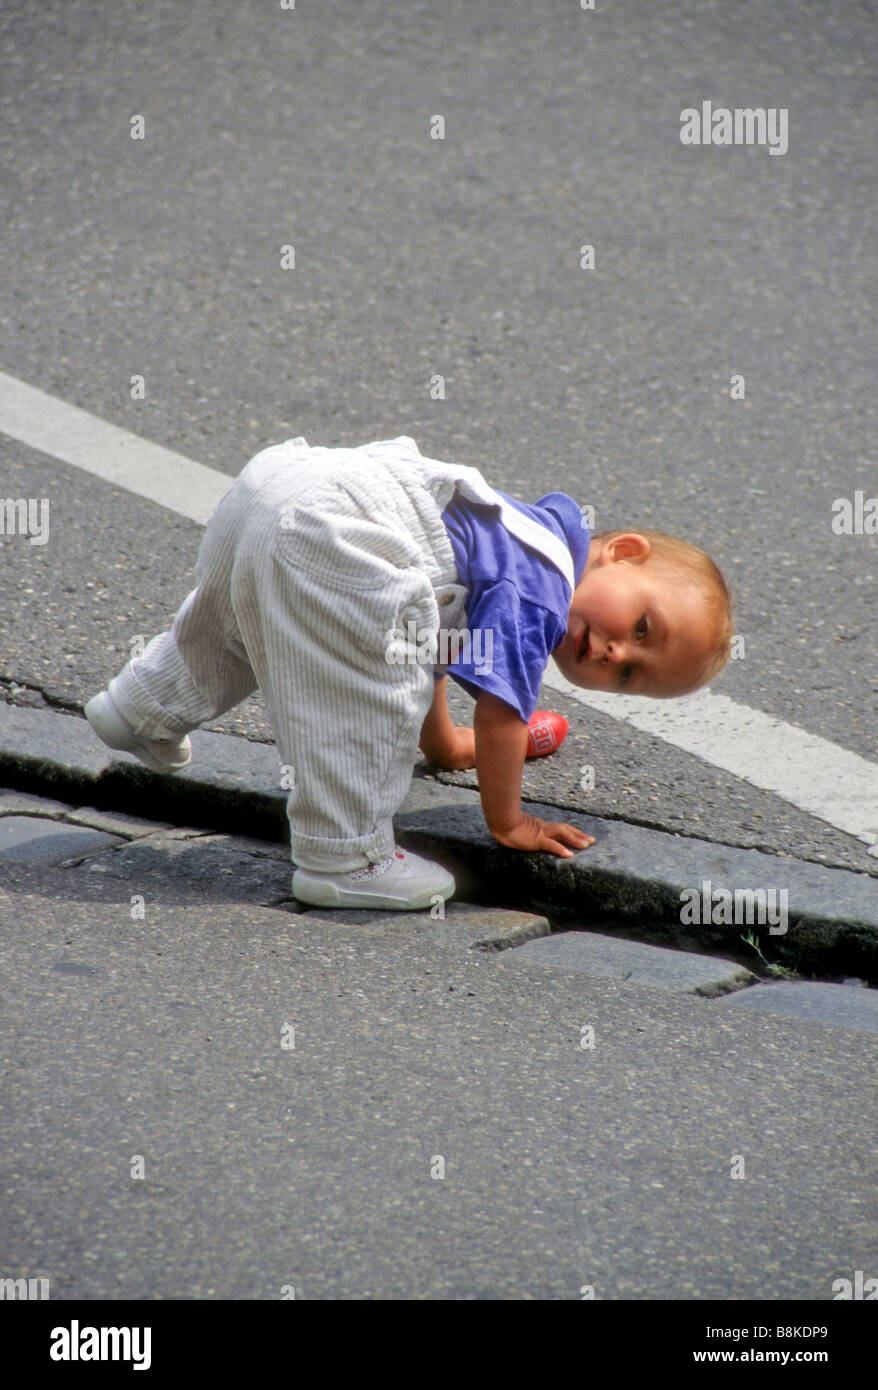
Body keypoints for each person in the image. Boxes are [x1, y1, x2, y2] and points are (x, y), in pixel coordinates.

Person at [84, 435, 733, 911]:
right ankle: (343, 856)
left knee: (231, 620)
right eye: (643, 627)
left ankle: (141, 708)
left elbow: (433, 627)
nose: (618, 654)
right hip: (332, 531)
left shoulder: (522, 533)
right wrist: (510, 822)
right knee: (359, 696)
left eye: (629, 678)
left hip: (276, 487)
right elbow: (504, 713)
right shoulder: (543, 589)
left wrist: (445, 745)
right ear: (622, 553)